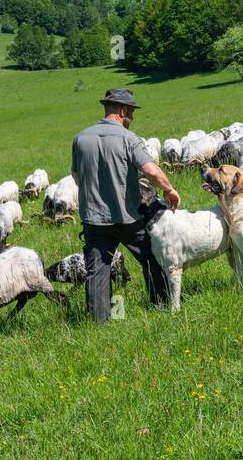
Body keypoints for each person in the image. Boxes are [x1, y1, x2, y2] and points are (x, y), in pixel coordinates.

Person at [70, 88, 180, 321]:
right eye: (131, 114)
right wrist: (169, 189)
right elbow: (150, 169)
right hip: (128, 216)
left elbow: (76, 177)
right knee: (152, 256)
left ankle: (99, 322)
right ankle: (160, 306)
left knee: (97, 271)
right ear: (123, 111)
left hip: (93, 219)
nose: (132, 119)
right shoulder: (129, 139)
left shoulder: (81, 138)